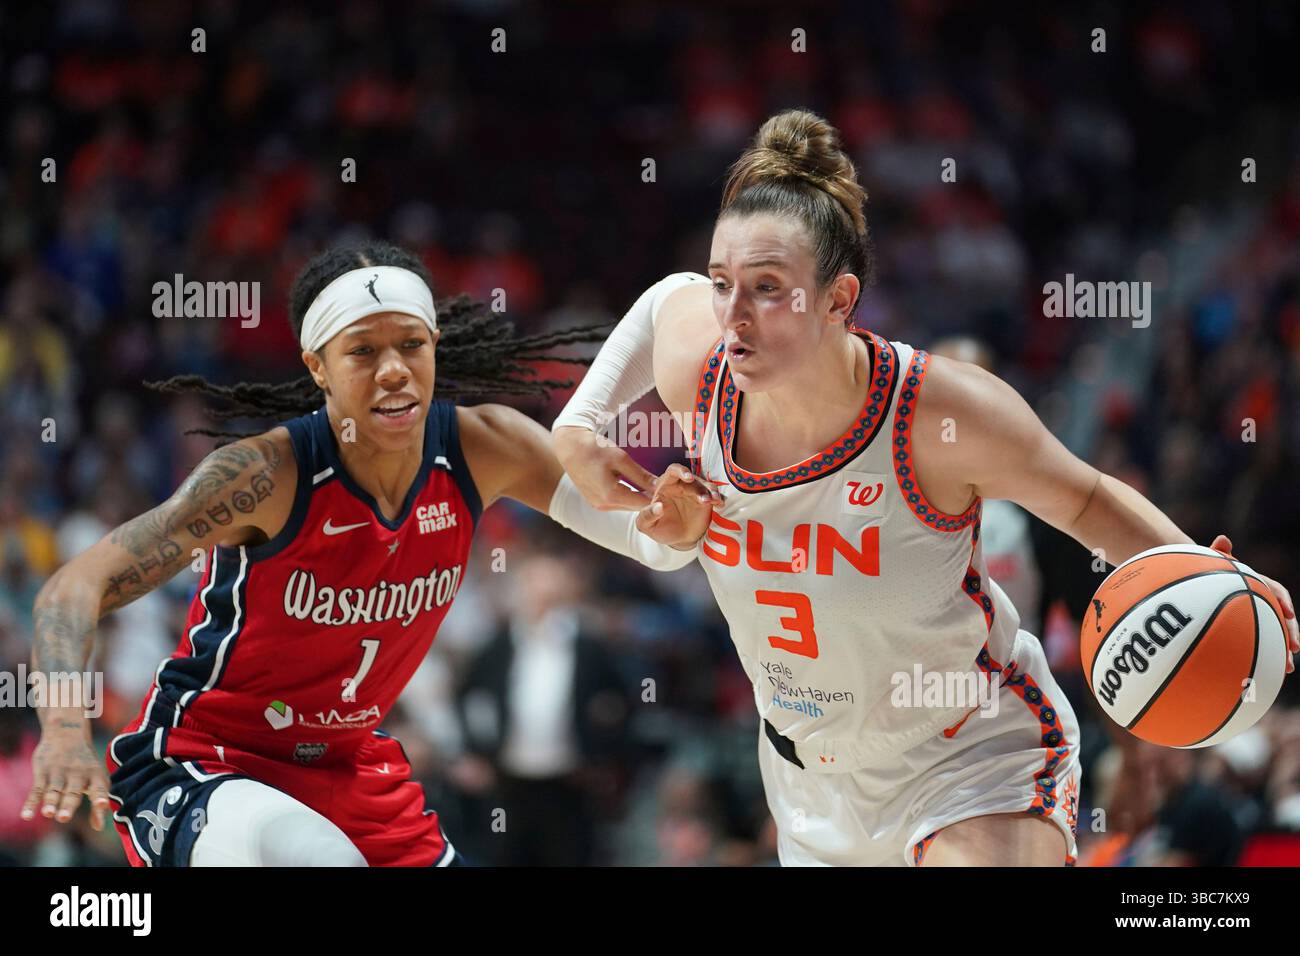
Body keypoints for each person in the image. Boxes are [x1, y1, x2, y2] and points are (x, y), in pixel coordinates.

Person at [552, 109, 1300, 866]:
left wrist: (1217, 575)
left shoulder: (938, 413)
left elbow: (1084, 498)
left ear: (840, 300)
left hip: (970, 761)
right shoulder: (704, 368)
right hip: (811, 789)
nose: (734, 314)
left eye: (769, 288)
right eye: (723, 284)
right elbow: (662, 301)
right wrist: (579, 423)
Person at [23, 240, 706, 867]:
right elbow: (72, 589)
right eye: (361, 352)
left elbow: (652, 544)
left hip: (349, 769)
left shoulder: (485, 446)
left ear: (435, 345)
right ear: (316, 367)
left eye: (411, 344)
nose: (393, 372)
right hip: (210, 762)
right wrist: (60, 731)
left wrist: (676, 526)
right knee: (315, 856)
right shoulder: (263, 476)